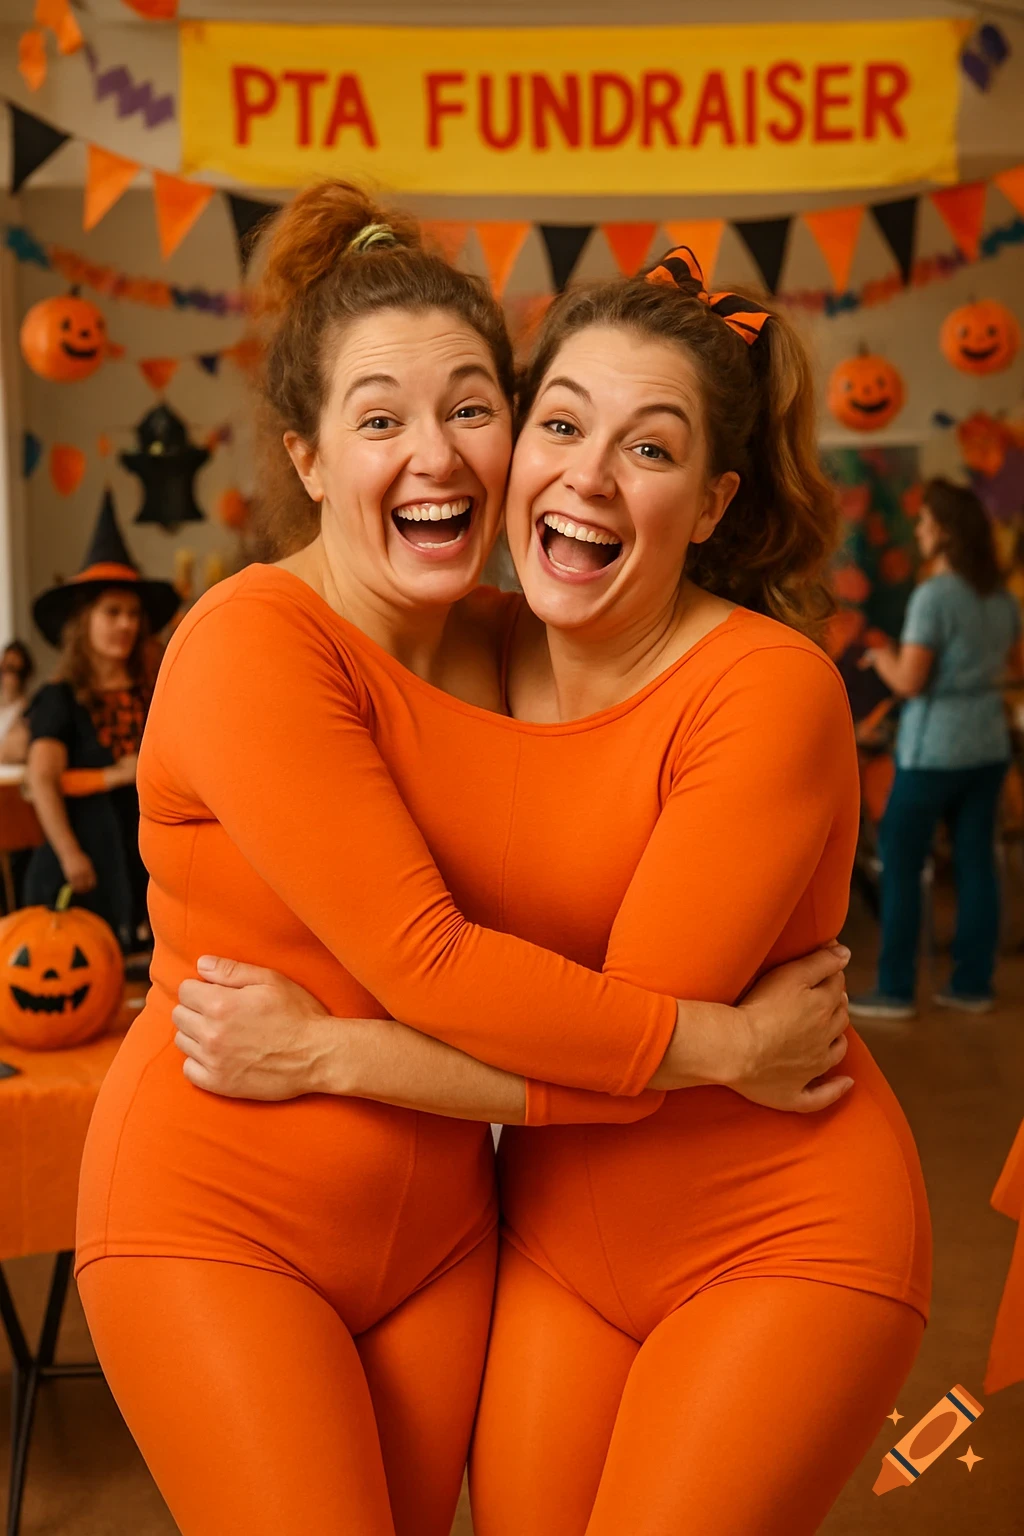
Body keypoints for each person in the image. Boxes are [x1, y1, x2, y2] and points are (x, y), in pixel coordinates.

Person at [75, 187, 852, 1536]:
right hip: (225, 1208)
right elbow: (429, 961)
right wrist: (719, 1046)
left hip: (450, 1235)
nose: (433, 456)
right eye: (378, 419)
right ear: (309, 459)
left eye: (472, 408)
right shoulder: (254, 640)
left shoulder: (516, 638)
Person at [851, 478, 1021, 1018]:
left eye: (924, 522)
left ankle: (896, 990)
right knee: (976, 863)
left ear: (943, 531)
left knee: (901, 862)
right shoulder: (998, 596)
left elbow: (910, 681)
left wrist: (881, 658)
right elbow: (1014, 667)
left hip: (934, 751)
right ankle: (973, 986)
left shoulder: (933, 595)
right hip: (987, 743)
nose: (920, 531)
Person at [26, 494, 178, 949]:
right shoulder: (59, 698)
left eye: (133, 614)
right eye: (112, 612)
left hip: (143, 866)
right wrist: (69, 853)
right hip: (81, 868)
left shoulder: (154, 693)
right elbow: (42, 780)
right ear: (84, 622)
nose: (126, 624)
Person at [0, 639, 34, 763]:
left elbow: (20, 751)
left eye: (14, 670)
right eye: (5, 669)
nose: (8, 676)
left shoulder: (29, 711)